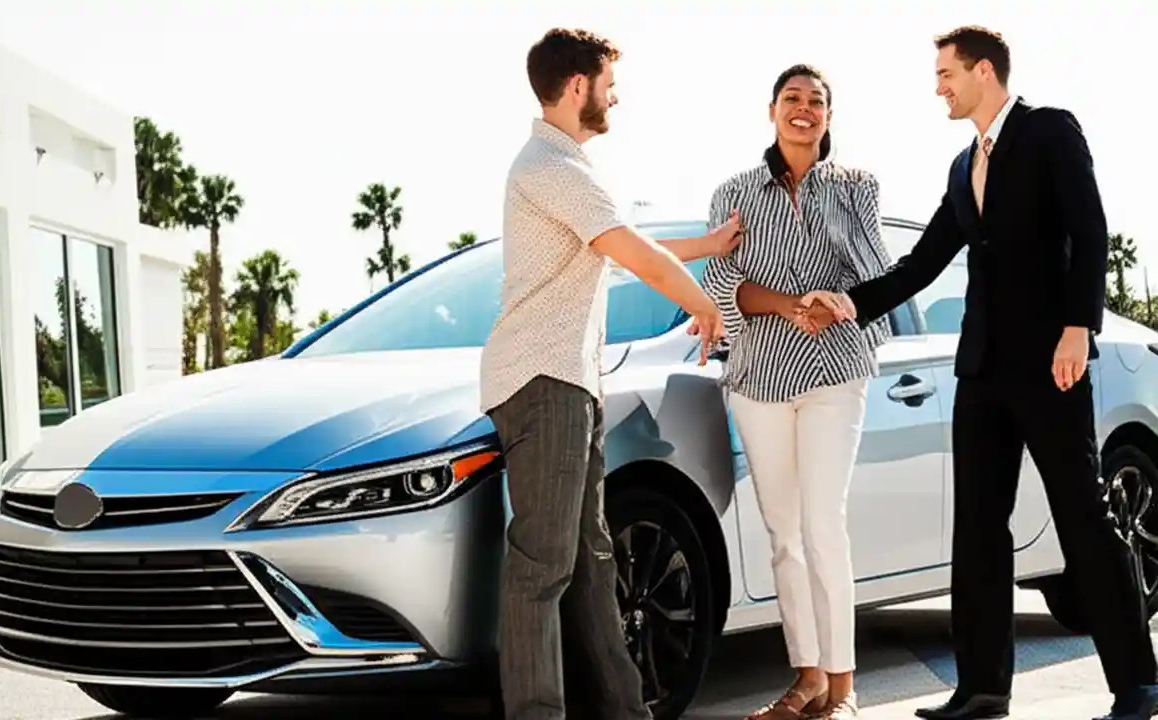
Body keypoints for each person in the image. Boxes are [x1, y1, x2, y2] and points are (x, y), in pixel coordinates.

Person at [805, 26, 1158, 720]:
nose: (938, 86)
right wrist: (850, 303)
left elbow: (1089, 230)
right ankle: (982, 687)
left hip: (1049, 363)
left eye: (946, 73)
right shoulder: (962, 165)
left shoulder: (1049, 132)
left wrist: (1078, 330)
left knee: (1082, 517)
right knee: (978, 528)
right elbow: (924, 261)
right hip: (982, 370)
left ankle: (1139, 683)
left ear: (984, 72)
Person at [478, 27, 741, 720]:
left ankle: (626, 710)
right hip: (545, 383)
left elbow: (623, 245)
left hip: (571, 384)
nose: (614, 99)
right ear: (575, 88)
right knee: (542, 567)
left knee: (594, 560)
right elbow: (636, 254)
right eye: (607, 86)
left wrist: (708, 247)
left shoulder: (564, 170)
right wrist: (702, 302)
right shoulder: (550, 167)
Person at [698, 64, 893, 720]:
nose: (804, 110)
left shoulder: (857, 188)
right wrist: (787, 304)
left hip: (835, 370)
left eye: (816, 102)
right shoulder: (736, 191)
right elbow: (722, 282)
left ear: (829, 118)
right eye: (793, 99)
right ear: (772, 110)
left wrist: (833, 300)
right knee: (783, 532)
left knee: (822, 524)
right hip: (760, 377)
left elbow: (876, 275)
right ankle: (806, 677)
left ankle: (844, 687)